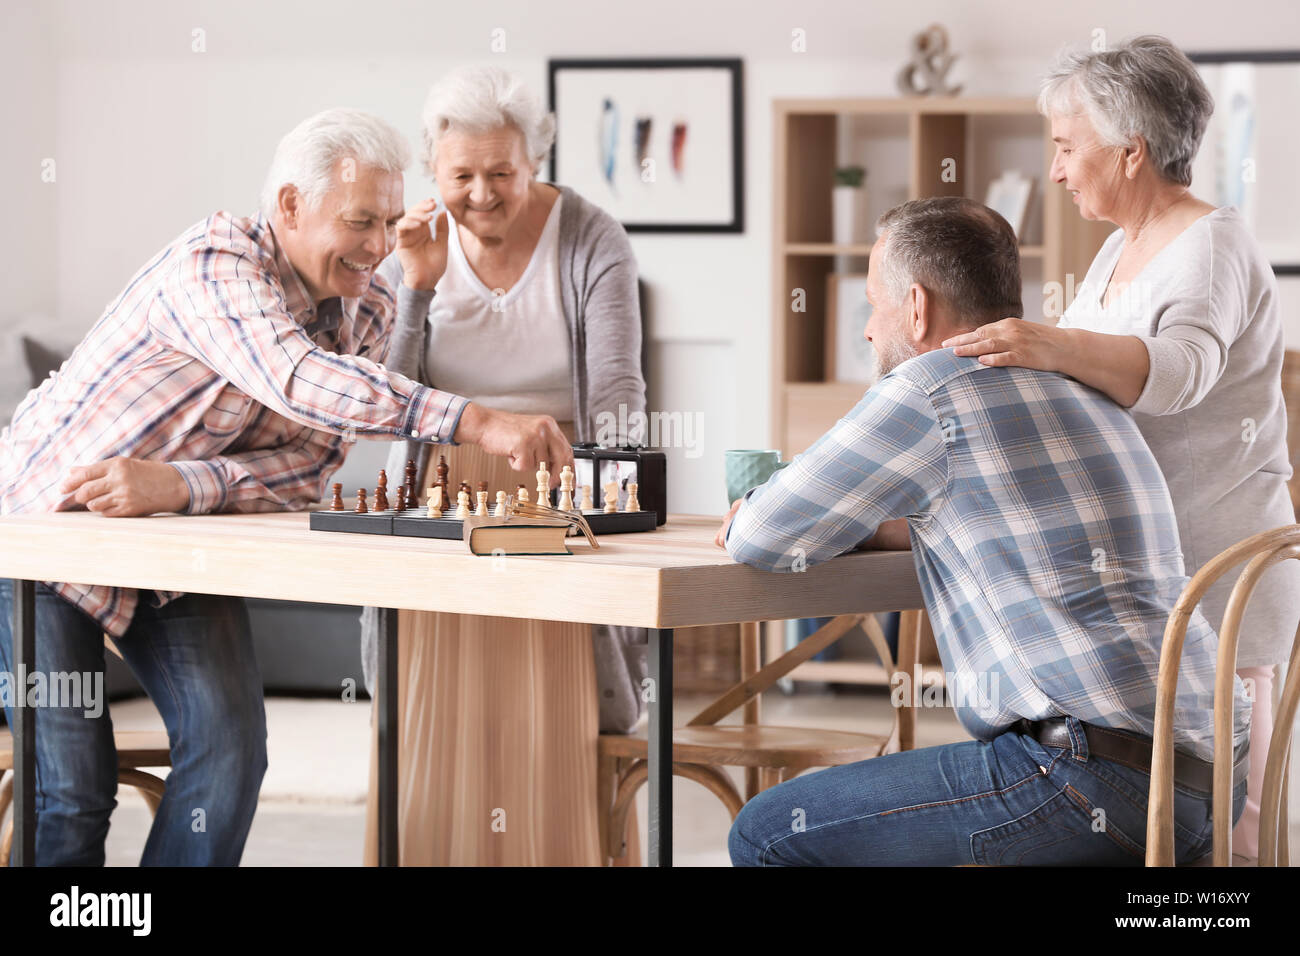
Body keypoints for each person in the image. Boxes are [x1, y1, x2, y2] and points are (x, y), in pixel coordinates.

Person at [0, 107, 571, 866]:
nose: (379, 248)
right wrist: (476, 422)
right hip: (43, 531)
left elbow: (314, 466)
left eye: (390, 221)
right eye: (361, 221)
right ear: (290, 206)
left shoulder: (365, 309)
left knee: (230, 755)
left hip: (166, 549)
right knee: (73, 790)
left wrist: (180, 484)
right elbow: (299, 380)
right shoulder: (213, 263)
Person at [718, 197, 1249, 866]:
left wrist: (751, 510)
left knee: (767, 831)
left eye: (873, 307)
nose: (867, 332)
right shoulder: (1079, 380)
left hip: (1088, 783)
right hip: (1207, 784)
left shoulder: (928, 387)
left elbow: (764, 536)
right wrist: (889, 531)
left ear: (915, 306)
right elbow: (1010, 514)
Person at [939, 35, 1298, 861]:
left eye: (1067, 147)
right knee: (1160, 833)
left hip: (1218, 588)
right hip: (1150, 587)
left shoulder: (1210, 246)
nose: (1057, 170)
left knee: (1229, 844)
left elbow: (1176, 374)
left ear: (1130, 152)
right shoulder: (1121, 246)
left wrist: (1051, 344)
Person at [357, 66, 648, 865]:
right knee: (435, 717)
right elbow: (386, 392)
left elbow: (619, 383)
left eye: (502, 174)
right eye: (461, 176)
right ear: (433, 172)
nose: (481, 194)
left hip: (555, 490)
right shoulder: (408, 247)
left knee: (553, 715)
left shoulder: (592, 236)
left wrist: (618, 502)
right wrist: (415, 286)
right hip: (446, 501)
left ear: (536, 164)